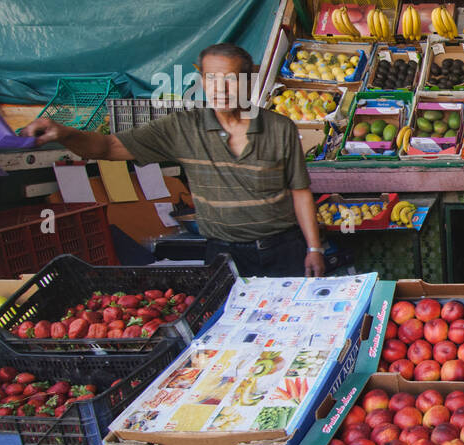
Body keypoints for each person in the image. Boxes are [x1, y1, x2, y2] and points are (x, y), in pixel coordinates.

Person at [25, 43, 325, 277]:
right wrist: (63, 132)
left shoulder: (280, 128)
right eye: (211, 78)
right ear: (202, 80)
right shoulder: (182, 127)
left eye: (231, 79)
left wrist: (313, 248)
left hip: (283, 248)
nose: (220, 89)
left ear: (248, 81)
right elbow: (106, 148)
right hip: (223, 254)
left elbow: (299, 192)